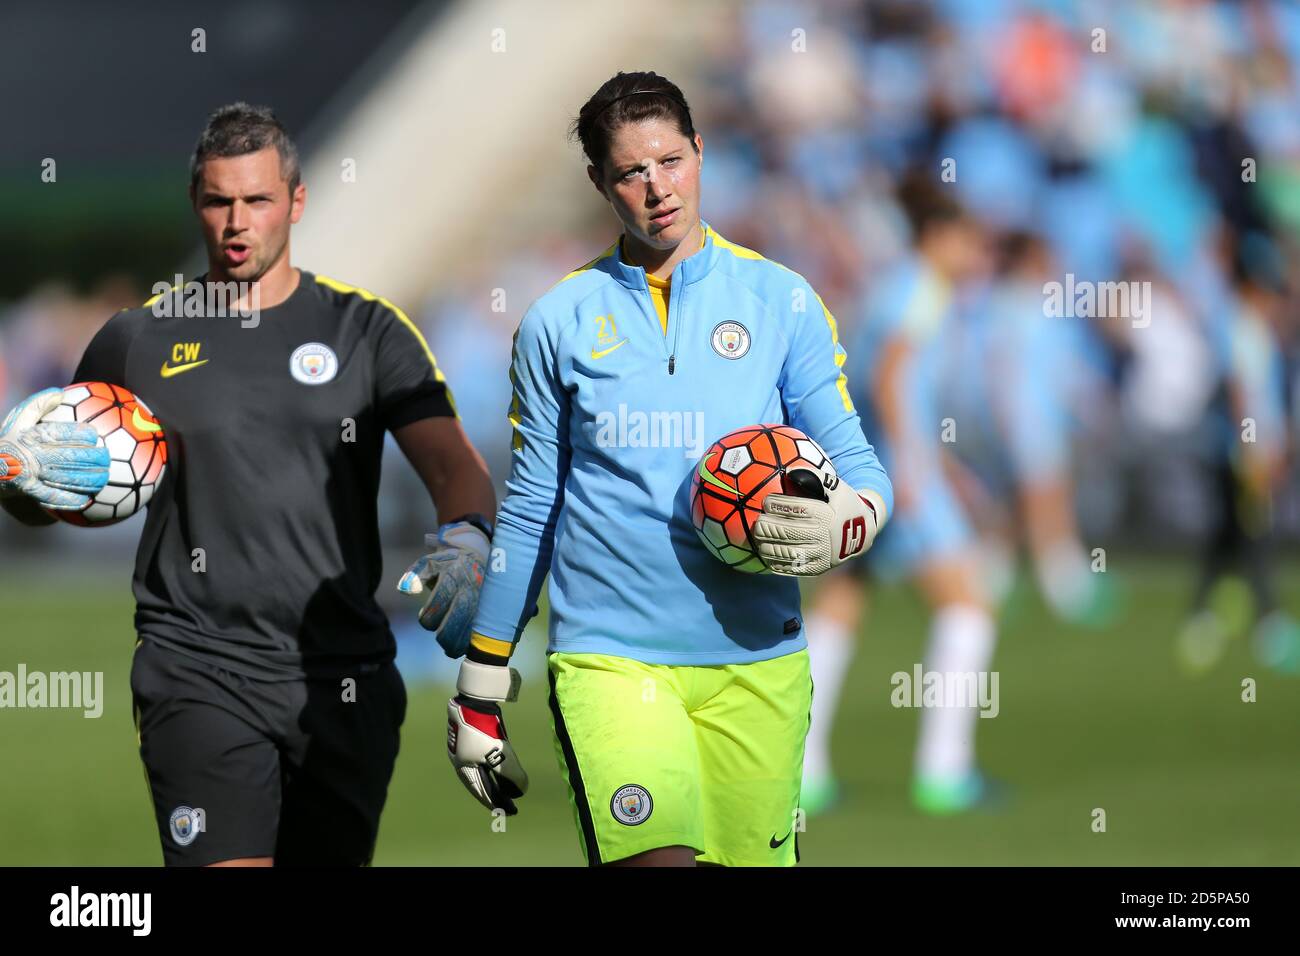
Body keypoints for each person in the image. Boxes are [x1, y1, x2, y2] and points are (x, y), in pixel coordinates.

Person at [0, 102, 496, 866]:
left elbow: (453, 464)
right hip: (197, 666)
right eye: (218, 201)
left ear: (295, 202)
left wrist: (466, 537)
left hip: (344, 675)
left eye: (258, 200)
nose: (237, 222)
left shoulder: (367, 330)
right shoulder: (136, 339)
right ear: (197, 204)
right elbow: (60, 487)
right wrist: (23, 484)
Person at [435, 71, 892, 867]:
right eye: (631, 172)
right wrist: (482, 682)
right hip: (611, 658)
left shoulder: (782, 301)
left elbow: (861, 468)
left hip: (759, 661)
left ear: (701, 152)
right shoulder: (557, 322)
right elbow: (532, 505)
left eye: (672, 161)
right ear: (598, 184)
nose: (658, 189)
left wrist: (848, 523)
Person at [801, 174, 1000, 817]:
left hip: (862, 473)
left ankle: (802, 770)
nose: (975, 257)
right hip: (895, 478)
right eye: (968, 242)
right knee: (968, 609)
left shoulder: (896, 286)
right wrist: (914, 473)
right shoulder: (922, 288)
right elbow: (891, 375)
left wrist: (938, 463)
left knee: (839, 607)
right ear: (940, 237)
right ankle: (945, 773)